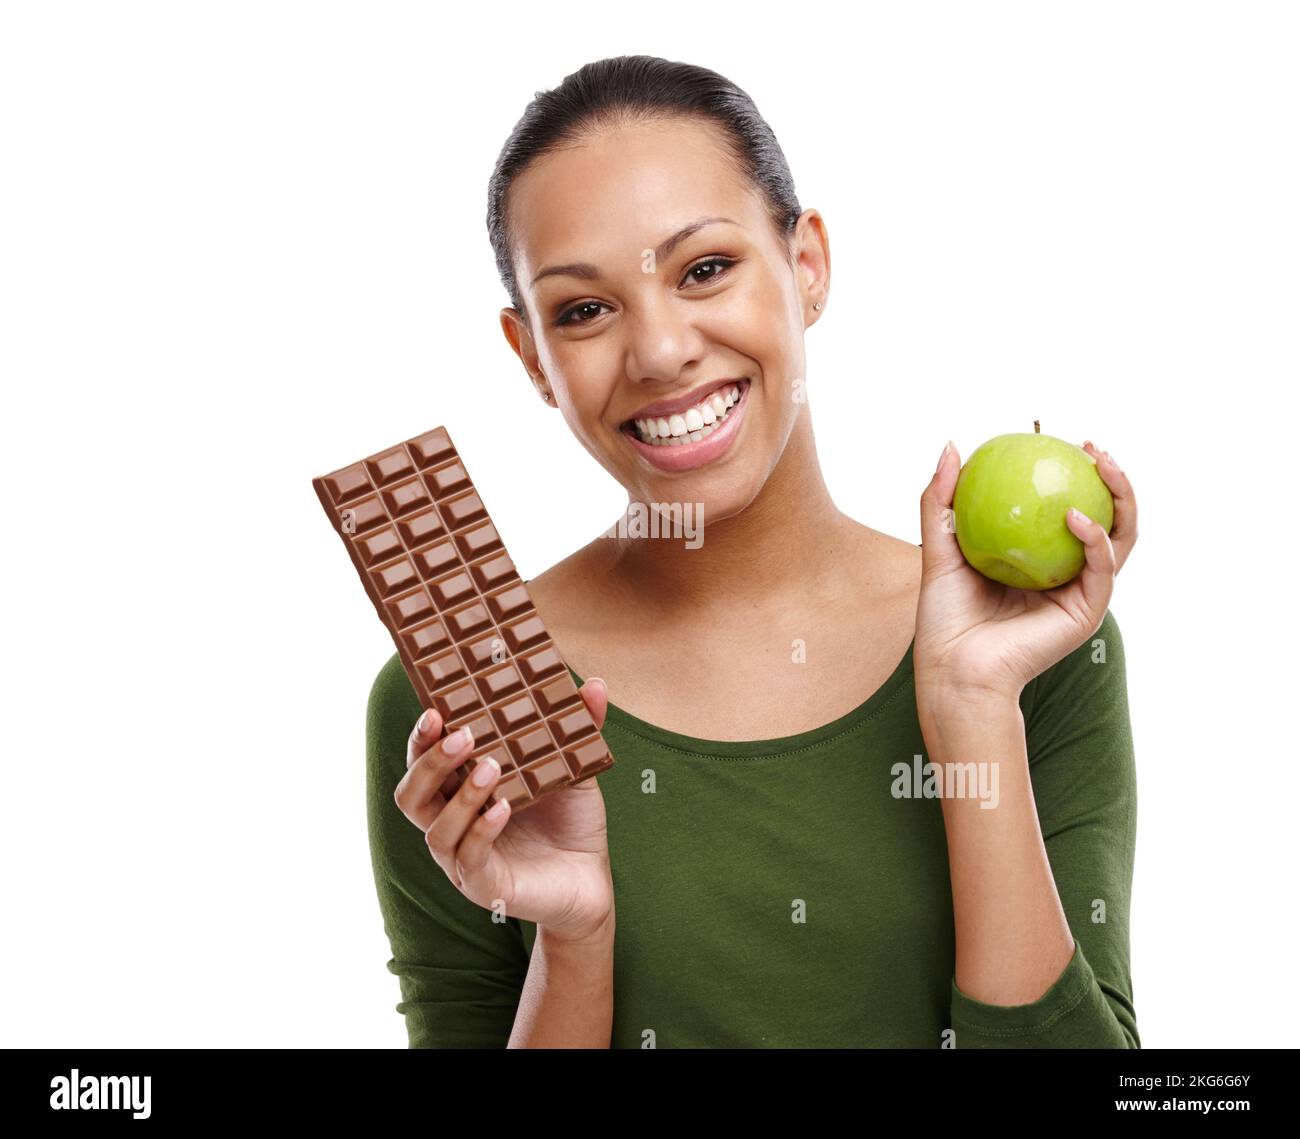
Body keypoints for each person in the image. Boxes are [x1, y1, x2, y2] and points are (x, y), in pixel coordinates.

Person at [367, 54, 1140, 1048]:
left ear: (806, 264)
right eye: (583, 309)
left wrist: (971, 716)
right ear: (531, 359)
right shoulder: (462, 698)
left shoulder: (1025, 640)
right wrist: (574, 935)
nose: (657, 350)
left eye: (704, 269)